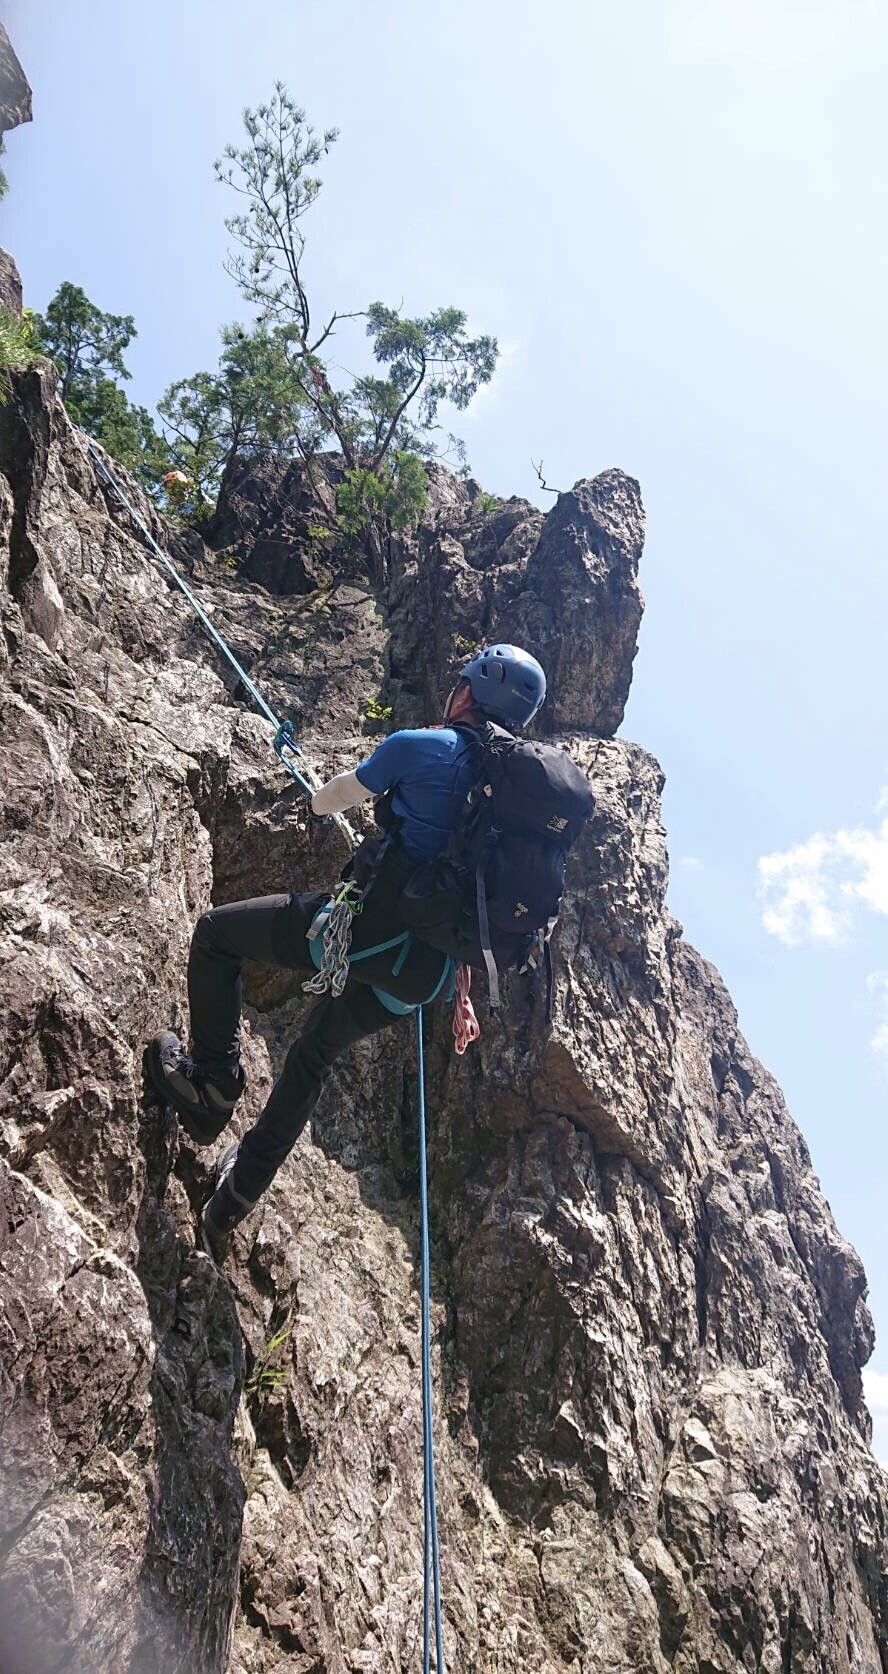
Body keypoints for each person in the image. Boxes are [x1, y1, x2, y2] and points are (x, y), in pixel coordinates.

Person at [148, 643, 547, 1263]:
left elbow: (333, 798)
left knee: (217, 937)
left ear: (466, 694)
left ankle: (212, 1086)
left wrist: (315, 794)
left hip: (363, 937)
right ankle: (236, 1197)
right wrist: (462, 994)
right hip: (424, 979)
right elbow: (466, 896)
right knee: (314, 1052)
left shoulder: (424, 745)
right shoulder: (508, 805)